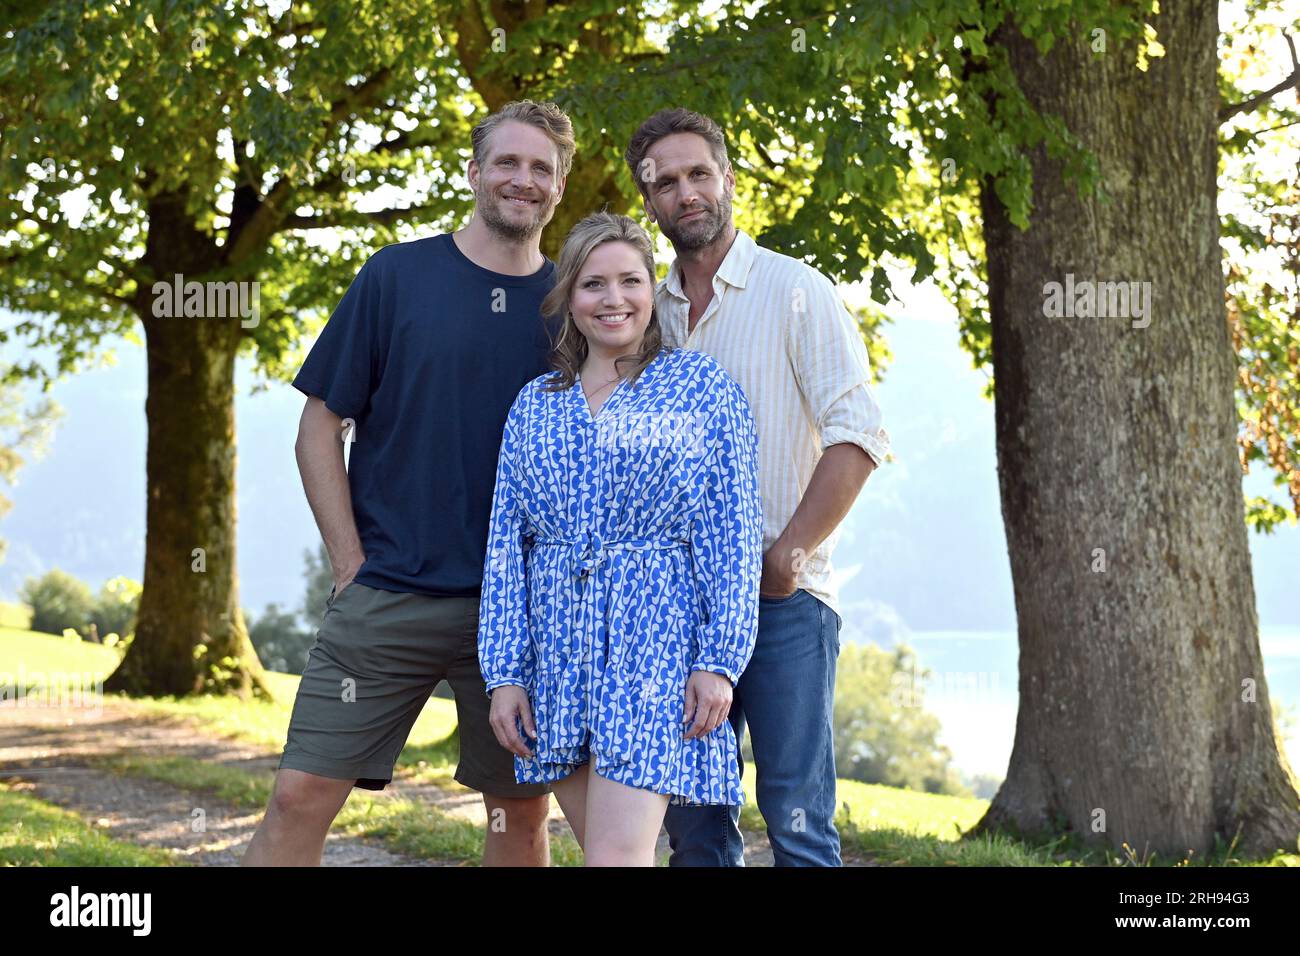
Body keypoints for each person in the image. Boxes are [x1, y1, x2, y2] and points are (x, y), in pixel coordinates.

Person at [242, 100, 574, 867]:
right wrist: (349, 564)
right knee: (298, 799)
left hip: (519, 614)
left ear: (558, 188)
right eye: (508, 162)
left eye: (541, 169)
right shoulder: (397, 275)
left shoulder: (575, 304)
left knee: (519, 819)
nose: (523, 180)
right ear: (475, 173)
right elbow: (320, 427)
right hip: (389, 592)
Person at [625, 108, 891, 866]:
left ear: (728, 181)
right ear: (649, 201)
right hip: (680, 609)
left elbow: (858, 435)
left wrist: (787, 557)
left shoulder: (796, 291)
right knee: (697, 828)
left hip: (785, 604)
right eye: (665, 182)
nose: (686, 193)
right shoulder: (645, 311)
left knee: (798, 822)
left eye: (699, 174)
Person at [478, 211, 763, 866]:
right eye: (593, 285)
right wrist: (506, 674)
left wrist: (718, 658)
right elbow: (505, 550)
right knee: (608, 858)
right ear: (569, 298)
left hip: (656, 654)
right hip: (556, 664)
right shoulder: (536, 404)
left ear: (652, 288)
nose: (613, 300)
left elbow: (731, 533)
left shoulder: (701, 390)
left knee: (614, 858)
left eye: (629, 281)